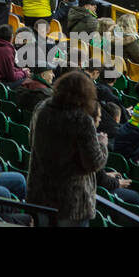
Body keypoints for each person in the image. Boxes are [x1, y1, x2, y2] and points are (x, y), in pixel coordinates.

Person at [27, 70, 108, 227]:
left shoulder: (42, 108)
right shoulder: (82, 120)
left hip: (40, 191)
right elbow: (93, 163)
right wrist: (102, 145)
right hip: (71, 201)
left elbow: (32, 140)